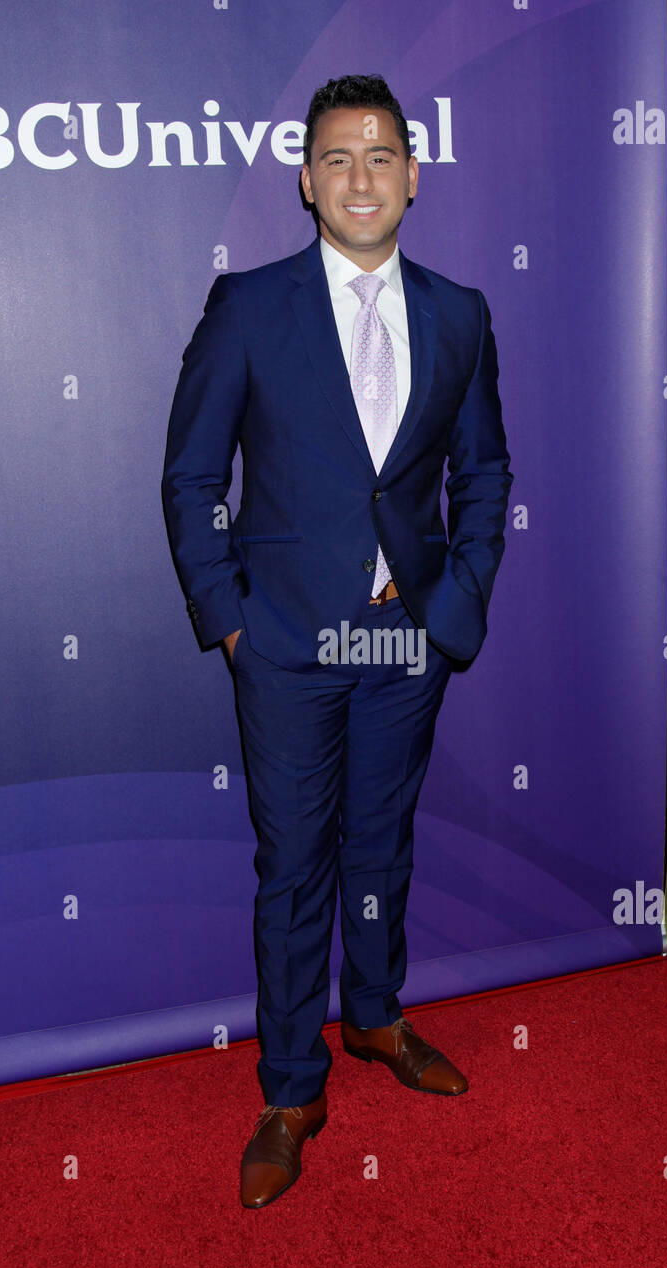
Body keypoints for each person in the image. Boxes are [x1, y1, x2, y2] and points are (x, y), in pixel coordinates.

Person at [161, 73, 512, 1209]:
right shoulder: (249, 308)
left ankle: (373, 1018)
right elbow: (191, 477)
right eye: (338, 158)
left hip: (406, 642)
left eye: (382, 156)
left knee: (382, 842)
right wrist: (229, 620)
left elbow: (485, 470)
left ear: (412, 175)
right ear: (307, 182)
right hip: (286, 645)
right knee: (294, 863)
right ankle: (290, 1088)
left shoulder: (459, 313)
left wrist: (455, 597)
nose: (362, 177)